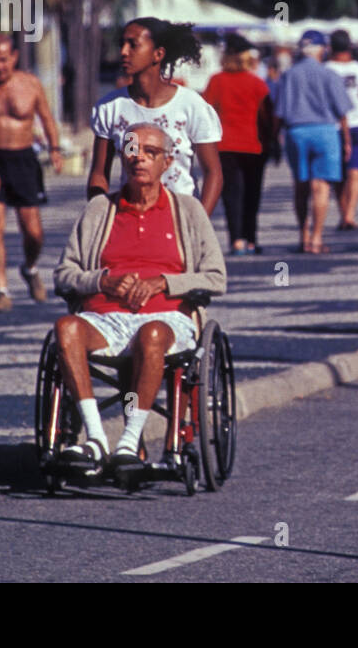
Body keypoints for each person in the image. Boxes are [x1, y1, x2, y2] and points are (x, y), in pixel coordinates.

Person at [52, 123, 227, 470]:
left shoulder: (188, 210)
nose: (140, 158)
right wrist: (103, 281)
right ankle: (97, 440)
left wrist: (164, 283)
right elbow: (64, 274)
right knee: (66, 328)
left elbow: (216, 277)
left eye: (150, 152)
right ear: (122, 158)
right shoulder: (100, 210)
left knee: (152, 334)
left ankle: (130, 443)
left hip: (167, 319)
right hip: (104, 318)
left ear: (167, 162)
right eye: (132, 150)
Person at [0, 34, 63, 312]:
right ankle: (0, 290)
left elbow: (46, 117)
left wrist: (54, 148)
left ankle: (30, 268)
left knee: (33, 231)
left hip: (23, 159)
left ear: (14, 57)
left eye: (3, 60)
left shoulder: (30, 84)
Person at [88, 18, 223, 215]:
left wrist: (198, 222)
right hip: (130, 217)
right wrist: (98, 216)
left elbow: (214, 173)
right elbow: (99, 173)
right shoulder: (110, 107)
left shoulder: (191, 105)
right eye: (122, 45)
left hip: (179, 218)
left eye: (133, 45)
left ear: (158, 54)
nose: (124, 52)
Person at [272, 30, 352, 254]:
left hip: (296, 132)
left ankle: (303, 236)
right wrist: (346, 139)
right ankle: (317, 238)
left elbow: (279, 112)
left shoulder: (289, 75)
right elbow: (342, 112)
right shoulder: (329, 74)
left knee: (300, 185)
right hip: (325, 132)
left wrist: (274, 138)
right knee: (321, 187)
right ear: (322, 49)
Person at [202, 34, 272, 255]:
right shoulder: (257, 83)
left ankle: (236, 241)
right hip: (253, 145)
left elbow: (206, 109)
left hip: (225, 145)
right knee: (252, 193)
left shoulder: (216, 80)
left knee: (231, 194)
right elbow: (267, 115)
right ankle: (251, 239)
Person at [325, 29, 358, 231]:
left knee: (339, 175)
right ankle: (350, 213)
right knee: (356, 170)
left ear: (330, 47)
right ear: (350, 46)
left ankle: (344, 213)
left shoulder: (325, 69)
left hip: (332, 124)